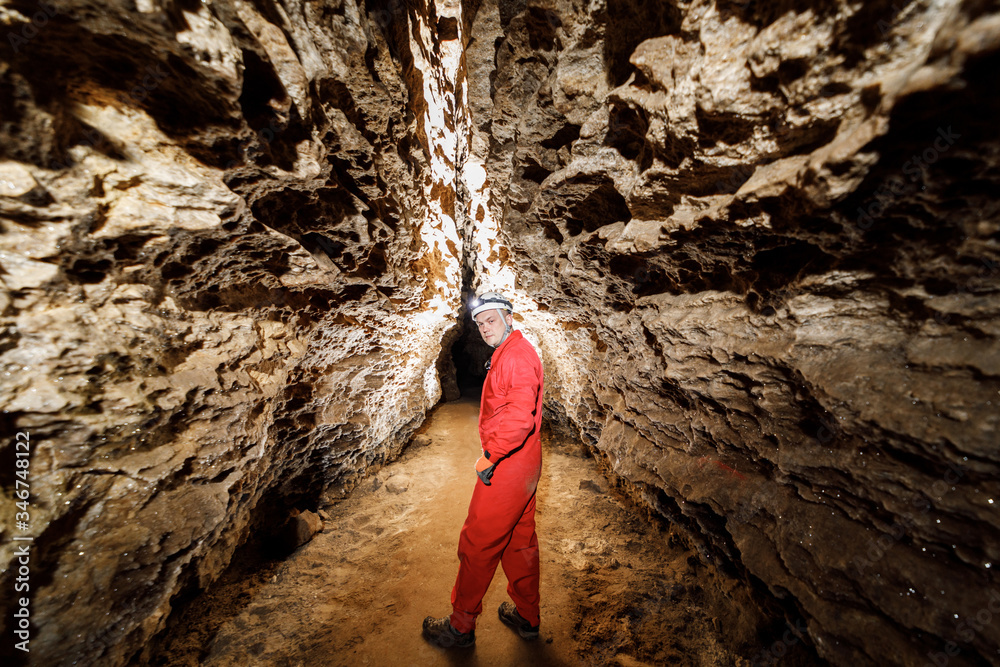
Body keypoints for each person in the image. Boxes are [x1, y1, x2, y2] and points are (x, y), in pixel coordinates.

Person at [422, 291, 545, 648]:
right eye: (479, 323)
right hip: (524, 464)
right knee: (520, 542)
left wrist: (490, 456)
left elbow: (520, 418)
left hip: (508, 465)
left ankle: (460, 628)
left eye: (491, 319)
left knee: (477, 544)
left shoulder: (517, 357)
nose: (484, 327)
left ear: (509, 318)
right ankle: (527, 616)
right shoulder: (508, 352)